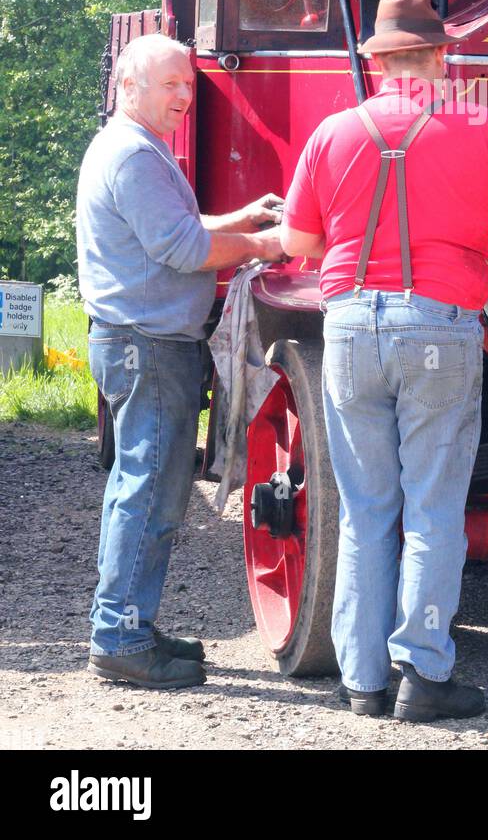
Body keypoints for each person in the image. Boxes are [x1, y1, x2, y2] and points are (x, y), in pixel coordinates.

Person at [280, 0, 488, 723]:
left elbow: (299, 246)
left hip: (349, 326)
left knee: (365, 511)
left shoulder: (334, 131)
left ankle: (361, 682)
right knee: (432, 508)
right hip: (438, 326)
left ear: (376, 61)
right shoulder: (479, 126)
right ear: (441, 55)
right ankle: (421, 676)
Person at [77, 33, 285, 689]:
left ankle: (128, 624)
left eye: (189, 86)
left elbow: (183, 231)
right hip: (147, 346)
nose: (184, 97)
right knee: (148, 496)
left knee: (141, 491)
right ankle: (120, 640)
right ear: (128, 86)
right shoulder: (135, 157)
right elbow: (183, 250)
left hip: (140, 342)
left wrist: (240, 218)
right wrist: (269, 241)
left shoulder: (133, 148)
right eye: (171, 85)